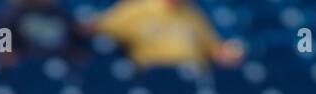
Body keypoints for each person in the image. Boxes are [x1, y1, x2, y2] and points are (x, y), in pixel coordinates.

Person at [88, 0, 243, 71]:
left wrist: (228, 53)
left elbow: (213, 48)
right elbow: (99, 27)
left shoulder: (194, 14)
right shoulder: (138, 8)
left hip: (191, 78)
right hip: (155, 77)